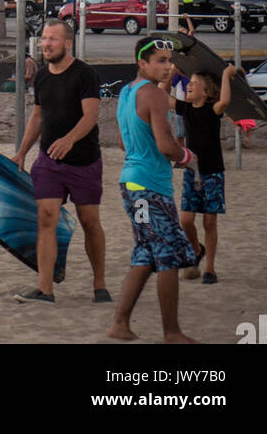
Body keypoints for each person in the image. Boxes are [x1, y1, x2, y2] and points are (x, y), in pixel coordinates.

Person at [11, 20, 110, 305]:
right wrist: (22, 152)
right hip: (49, 161)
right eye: (44, 38)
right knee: (46, 218)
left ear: (67, 43)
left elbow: (91, 115)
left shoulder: (85, 74)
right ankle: (45, 289)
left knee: (90, 221)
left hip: (84, 160)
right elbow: (38, 117)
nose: (46, 44)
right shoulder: (41, 76)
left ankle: (99, 284)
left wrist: (69, 139)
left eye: (53, 39)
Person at [107, 37, 198, 344]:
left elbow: (123, 142)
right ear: (142, 63)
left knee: (146, 254)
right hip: (149, 187)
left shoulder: (126, 93)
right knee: (168, 256)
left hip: (132, 182)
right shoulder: (154, 96)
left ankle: (120, 323)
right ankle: (171, 332)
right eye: (160, 60)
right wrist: (187, 157)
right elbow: (165, 145)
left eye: (169, 60)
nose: (168, 66)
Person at [176, 64, 236, 284]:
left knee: (209, 222)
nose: (189, 85)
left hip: (213, 172)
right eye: (188, 82)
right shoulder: (186, 109)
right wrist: (173, 72)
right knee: (186, 220)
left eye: (194, 83)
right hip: (192, 172)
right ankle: (196, 248)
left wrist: (226, 76)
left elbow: (225, 102)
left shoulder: (212, 110)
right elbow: (163, 96)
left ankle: (209, 268)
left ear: (207, 92)